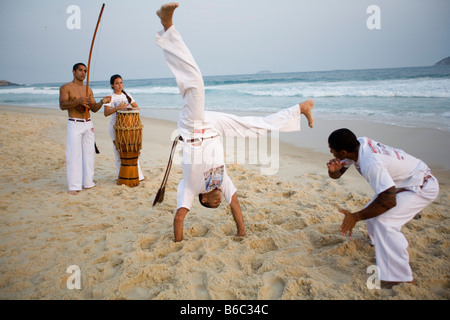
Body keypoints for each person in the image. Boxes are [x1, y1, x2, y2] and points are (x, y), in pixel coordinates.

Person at [156, 3, 314, 242]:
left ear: (203, 200)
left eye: (213, 203)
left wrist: (178, 242)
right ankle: (300, 108)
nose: (219, 201)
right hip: (213, 128)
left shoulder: (190, 189)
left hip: (193, 128)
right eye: (219, 203)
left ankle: (167, 26)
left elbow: (179, 218)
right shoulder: (223, 183)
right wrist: (241, 232)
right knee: (255, 128)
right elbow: (236, 206)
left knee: (195, 83)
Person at [327, 128, 439, 288]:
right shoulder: (358, 145)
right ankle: (378, 242)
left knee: (385, 223)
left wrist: (355, 216)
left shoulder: (371, 163)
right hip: (402, 181)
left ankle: (402, 278)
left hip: (421, 185)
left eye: (332, 149)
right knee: (373, 215)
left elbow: (388, 201)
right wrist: (333, 171)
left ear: (343, 152)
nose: (330, 151)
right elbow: (337, 175)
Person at [59, 63, 111, 195]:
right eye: (80, 70)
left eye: (85, 71)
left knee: (88, 154)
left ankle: (88, 182)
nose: (83, 73)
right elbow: (62, 105)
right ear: (73, 71)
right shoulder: (66, 88)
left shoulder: (88, 90)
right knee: (73, 154)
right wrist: (78, 101)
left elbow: (93, 109)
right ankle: (73, 186)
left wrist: (102, 102)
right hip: (74, 123)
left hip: (88, 123)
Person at [104, 74, 145, 181]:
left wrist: (129, 108)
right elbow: (106, 113)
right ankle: (121, 177)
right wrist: (118, 108)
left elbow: (137, 107)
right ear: (112, 85)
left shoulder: (127, 95)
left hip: (128, 128)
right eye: (117, 83)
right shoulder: (110, 97)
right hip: (115, 128)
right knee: (118, 152)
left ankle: (139, 176)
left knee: (132, 151)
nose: (119, 85)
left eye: (121, 83)